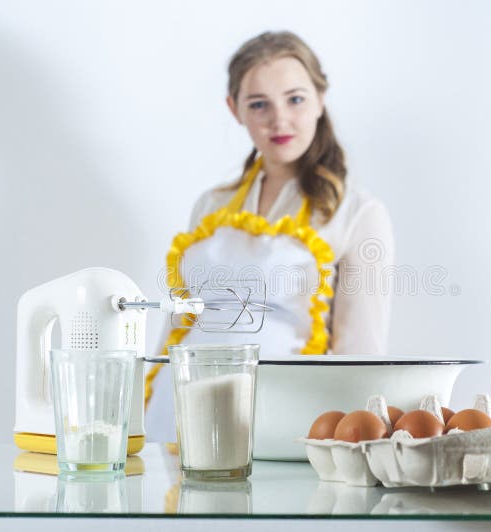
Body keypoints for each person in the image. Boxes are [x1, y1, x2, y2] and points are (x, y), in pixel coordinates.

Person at [145, 31, 394, 441]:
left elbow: (361, 356)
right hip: (175, 410)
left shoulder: (358, 213)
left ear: (320, 97)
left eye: (295, 99)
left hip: (279, 421)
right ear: (234, 109)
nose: (279, 119)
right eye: (259, 104)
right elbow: (179, 322)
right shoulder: (211, 205)